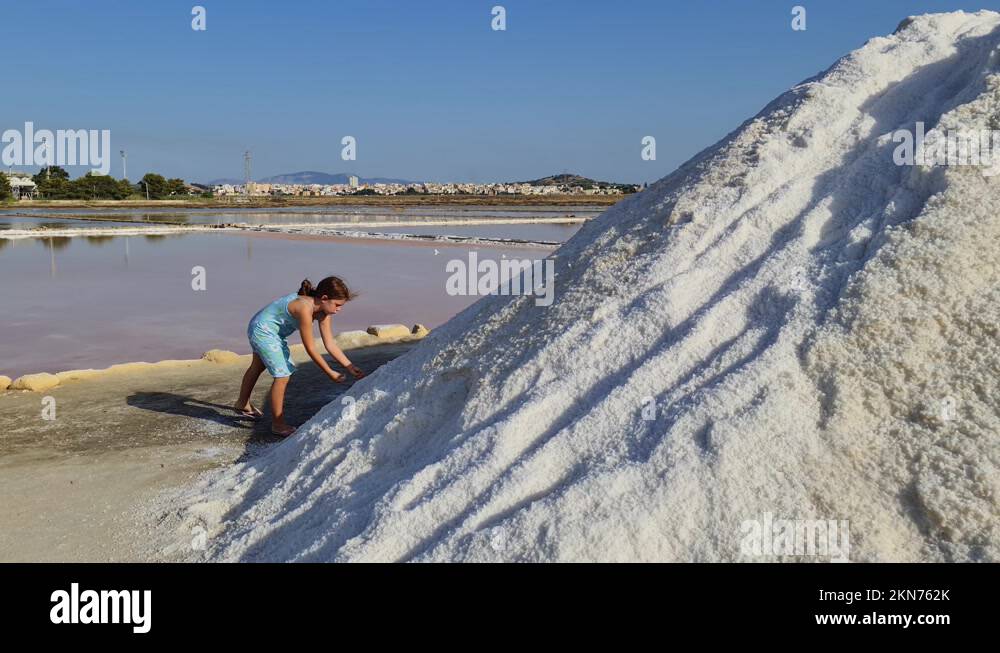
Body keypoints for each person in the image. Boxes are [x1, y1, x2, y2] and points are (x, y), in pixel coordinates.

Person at [234, 276, 364, 436]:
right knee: (283, 375)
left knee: (258, 366)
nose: (339, 309)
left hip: (267, 329)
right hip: (263, 331)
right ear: (324, 298)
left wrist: (349, 366)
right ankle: (278, 424)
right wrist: (329, 372)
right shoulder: (304, 308)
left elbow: (329, 343)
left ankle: (242, 404)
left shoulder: (324, 313)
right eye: (337, 305)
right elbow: (310, 347)